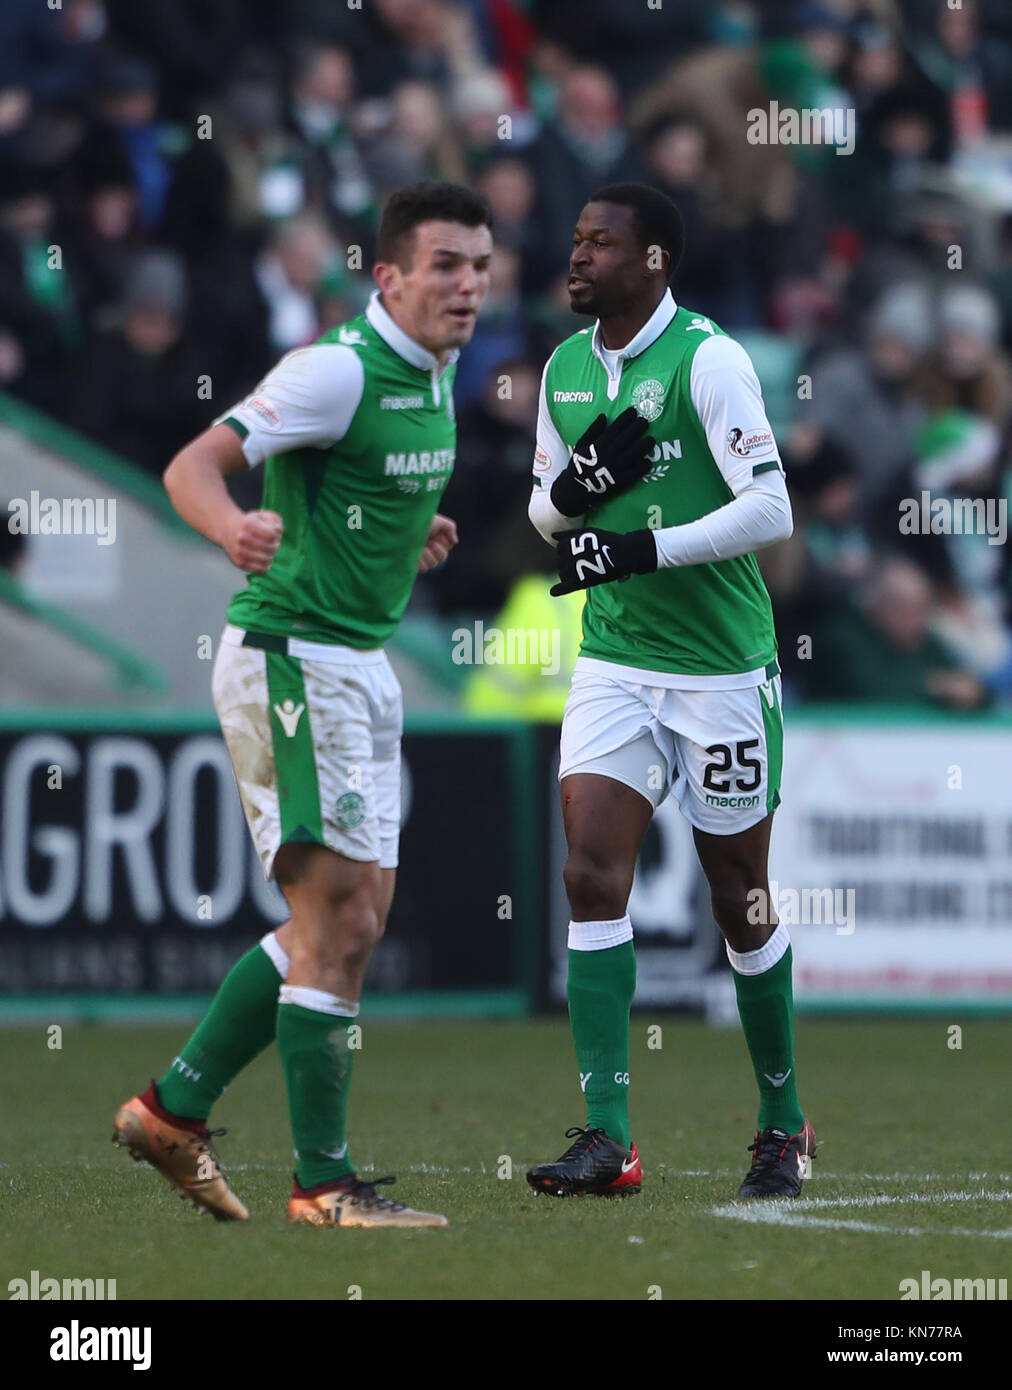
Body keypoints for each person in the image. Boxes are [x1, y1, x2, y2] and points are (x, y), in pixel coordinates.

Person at [111, 181, 493, 1230]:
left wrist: (402, 534)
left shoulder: (435, 367)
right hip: (291, 656)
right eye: (446, 264)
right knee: (341, 916)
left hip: (357, 659)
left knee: (346, 920)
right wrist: (230, 526)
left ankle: (171, 1109)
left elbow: (355, 486)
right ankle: (323, 1185)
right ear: (389, 276)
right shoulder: (334, 369)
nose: (467, 285)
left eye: (480, 265)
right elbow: (192, 465)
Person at [525, 183, 812, 1201]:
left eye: (600, 243)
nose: (578, 256)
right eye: (574, 238)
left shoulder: (710, 359)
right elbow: (543, 513)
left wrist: (640, 543)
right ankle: (610, 1137)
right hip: (614, 661)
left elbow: (769, 506)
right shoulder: (563, 369)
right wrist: (574, 495)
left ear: (652, 261)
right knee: (590, 876)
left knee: (738, 901)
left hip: (723, 669)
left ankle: (782, 1123)